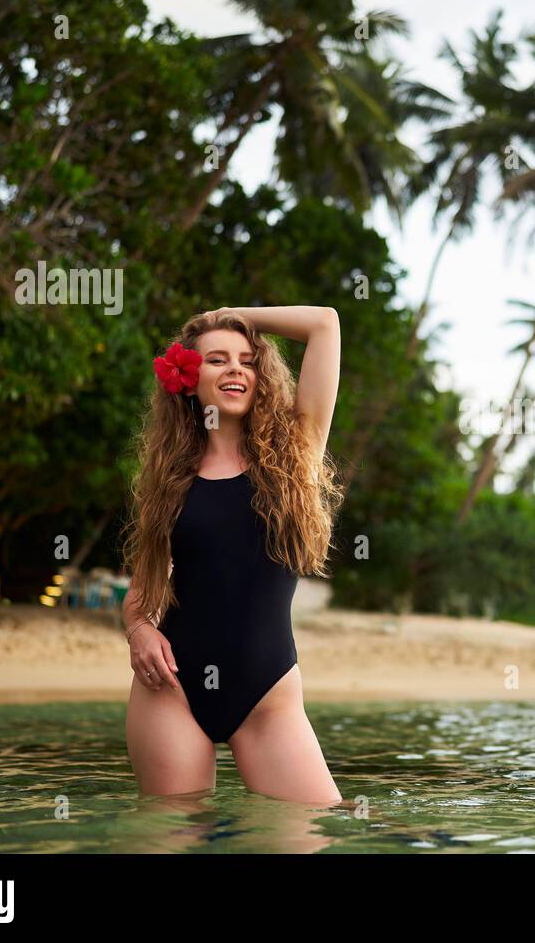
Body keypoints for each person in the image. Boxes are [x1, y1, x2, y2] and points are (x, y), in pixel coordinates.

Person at [120, 305, 344, 802]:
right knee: (169, 840)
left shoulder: (294, 456)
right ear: (190, 378)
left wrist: (234, 313)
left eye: (247, 359)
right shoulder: (168, 479)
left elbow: (324, 323)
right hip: (170, 691)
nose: (236, 369)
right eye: (217, 359)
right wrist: (139, 633)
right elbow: (142, 594)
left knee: (315, 831)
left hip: (267, 696)